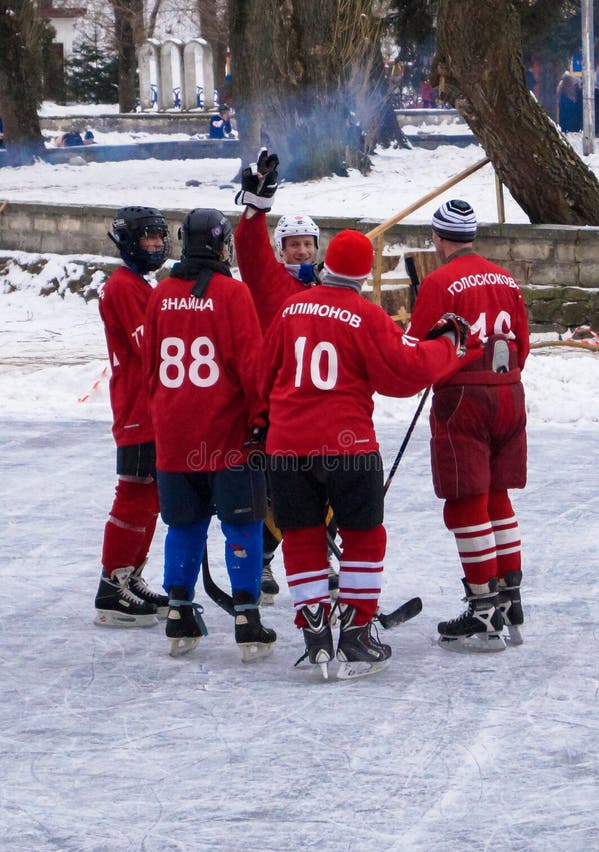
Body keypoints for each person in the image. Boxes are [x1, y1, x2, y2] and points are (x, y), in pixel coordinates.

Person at [255, 228, 469, 680]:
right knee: (364, 535)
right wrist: (449, 343)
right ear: (365, 272)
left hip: (288, 446)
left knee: (301, 536)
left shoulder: (291, 309)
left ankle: (315, 631)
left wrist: (260, 424)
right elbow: (404, 373)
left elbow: (263, 373)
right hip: (348, 446)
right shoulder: (366, 315)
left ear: (326, 264)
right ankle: (355, 633)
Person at [142, 207, 276, 661]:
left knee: (183, 523)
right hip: (226, 435)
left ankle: (179, 611)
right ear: (221, 245)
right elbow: (251, 364)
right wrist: (261, 419)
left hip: (175, 435)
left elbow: (149, 368)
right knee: (242, 523)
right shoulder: (234, 293)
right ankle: (247, 619)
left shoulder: (161, 293)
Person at [405, 199, 530, 652]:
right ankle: (510, 599)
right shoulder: (505, 278)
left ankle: (483, 607)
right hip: (510, 392)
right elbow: (523, 343)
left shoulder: (439, 281)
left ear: (438, 237)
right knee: (498, 496)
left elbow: (417, 345)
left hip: (464, 397)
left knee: (465, 501)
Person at [234, 149, 333, 604]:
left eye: (308, 244)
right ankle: (264, 558)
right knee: (277, 488)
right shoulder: (269, 282)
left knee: (330, 483)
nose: (303, 251)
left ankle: (320, 554)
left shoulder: (329, 290)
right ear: (281, 249)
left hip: (324, 404)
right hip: (279, 403)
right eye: (294, 244)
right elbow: (249, 249)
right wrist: (257, 207)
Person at [94, 206, 171, 627]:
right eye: (148, 237)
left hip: (154, 409)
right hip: (137, 410)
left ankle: (130, 575)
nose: (156, 245)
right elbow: (152, 347)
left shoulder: (141, 284)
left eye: (159, 237)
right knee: (133, 493)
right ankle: (111, 585)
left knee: (152, 497)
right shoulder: (123, 287)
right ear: (128, 241)